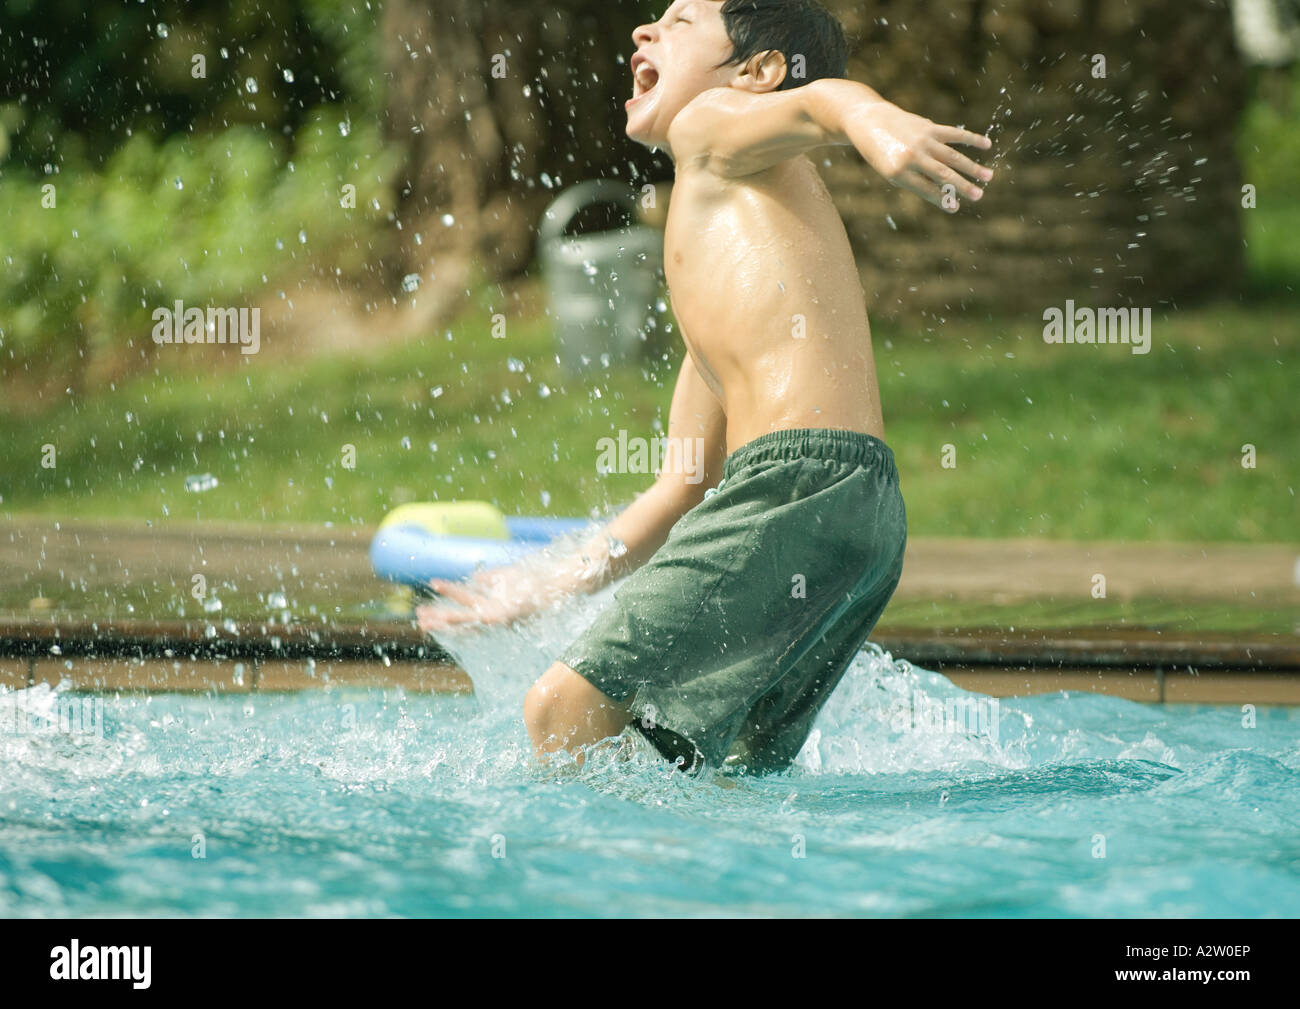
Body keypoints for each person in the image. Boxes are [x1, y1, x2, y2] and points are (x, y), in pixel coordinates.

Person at [418, 0, 994, 774]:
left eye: (682, 22)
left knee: (559, 708)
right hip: (863, 515)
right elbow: (680, 489)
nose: (643, 31)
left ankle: (574, 889)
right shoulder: (727, 288)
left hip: (794, 482)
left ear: (757, 75)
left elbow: (827, 100)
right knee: (722, 772)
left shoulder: (710, 125)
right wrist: (546, 584)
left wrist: (881, 128)